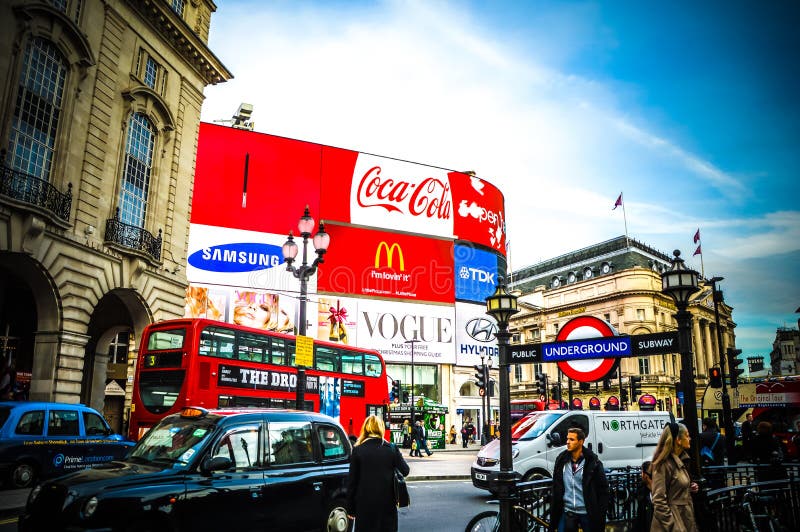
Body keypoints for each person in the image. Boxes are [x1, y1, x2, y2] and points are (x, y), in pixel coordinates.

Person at [347, 415, 409, 532]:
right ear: (381, 428)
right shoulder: (391, 448)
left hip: (364, 507)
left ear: (365, 428)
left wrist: (351, 509)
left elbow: (352, 482)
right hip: (387, 506)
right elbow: (405, 471)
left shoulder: (358, 449)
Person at [549, 427, 609, 532]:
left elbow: (603, 490)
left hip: (587, 512)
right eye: (567, 439)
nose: (567, 442)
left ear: (581, 442)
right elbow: (556, 487)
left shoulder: (593, 463)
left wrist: (600, 513)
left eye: (572, 439)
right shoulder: (561, 461)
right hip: (568, 511)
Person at [649, 422, 698, 532]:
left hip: (683, 517)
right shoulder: (663, 464)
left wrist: (689, 488)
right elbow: (658, 500)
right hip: (673, 522)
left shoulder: (682, 459)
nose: (689, 438)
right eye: (687, 435)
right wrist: (673, 526)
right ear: (678, 440)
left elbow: (674, 487)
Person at [633, 460, 654, 532]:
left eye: (641, 472)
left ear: (646, 475)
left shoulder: (658, 493)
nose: (641, 475)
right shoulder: (642, 488)